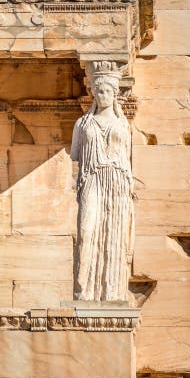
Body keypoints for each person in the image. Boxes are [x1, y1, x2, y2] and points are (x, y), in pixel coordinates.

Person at [70, 61, 134, 302]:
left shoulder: (122, 124)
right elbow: (75, 153)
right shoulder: (82, 124)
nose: (102, 94)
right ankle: (84, 291)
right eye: (98, 90)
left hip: (116, 181)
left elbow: (126, 157)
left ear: (115, 93)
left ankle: (110, 293)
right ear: (93, 93)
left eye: (107, 90)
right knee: (87, 232)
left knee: (112, 234)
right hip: (92, 178)